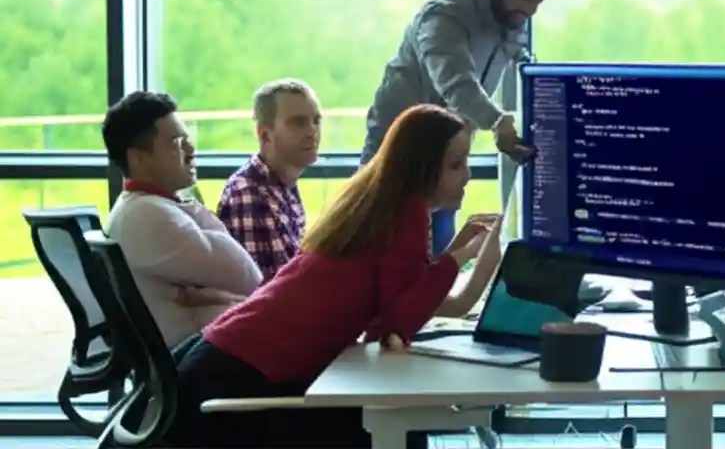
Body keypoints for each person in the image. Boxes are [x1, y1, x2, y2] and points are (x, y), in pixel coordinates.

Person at [167, 104, 505, 448]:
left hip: (221, 360)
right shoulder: (406, 216)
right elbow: (395, 321)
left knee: (396, 421)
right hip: (239, 379)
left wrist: (456, 255)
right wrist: (462, 257)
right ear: (422, 168)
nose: (467, 176)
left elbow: (398, 304)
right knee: (396, 424)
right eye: (455, 165)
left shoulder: (379, 204)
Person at [361, 0, 557, 255]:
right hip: (397, 161)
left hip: (445, 162)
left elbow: (523, 65)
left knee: (435, 268)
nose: (531, 12)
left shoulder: (513, 18)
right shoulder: (444, 16)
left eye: (539, 1)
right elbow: (456, 82)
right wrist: (496, 121)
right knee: (381, 262)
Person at [101, 91, 263, 348]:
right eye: (176, 143)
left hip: (208, 350)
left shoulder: (148, 208)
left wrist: (217, 295)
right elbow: (247, 277)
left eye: (188, 139)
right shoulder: (148, 216)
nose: (191, 150)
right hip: (201, 365)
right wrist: (230, 296)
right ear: (139, 158)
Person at [218, 78, 322, 281]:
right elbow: (270, 292)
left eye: (316, 121)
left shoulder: (283, 183)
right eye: (298, 123)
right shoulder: (250, 192)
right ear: (265, 135)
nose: (312, 131)